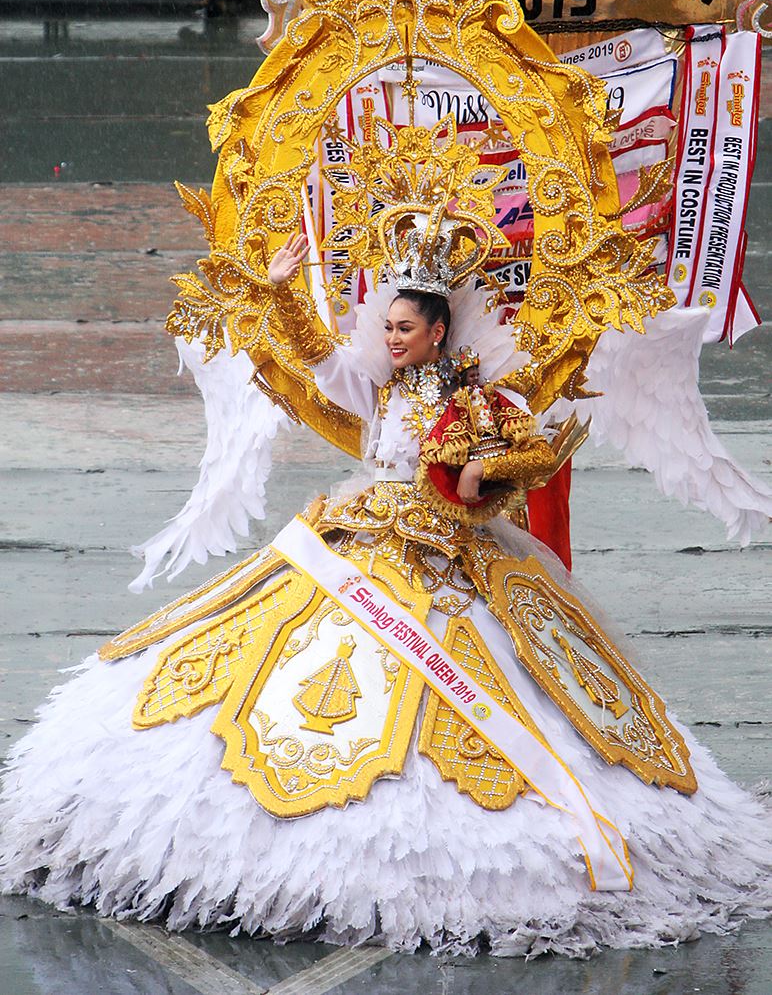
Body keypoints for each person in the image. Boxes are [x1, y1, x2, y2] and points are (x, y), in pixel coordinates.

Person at [1, 208, 770, 958]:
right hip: (359, 539)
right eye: (388, 328)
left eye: (405, 330)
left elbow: (527, 453)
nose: (391, 340)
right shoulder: (383, 387)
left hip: (450, 561)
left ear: (439, 330)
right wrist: (280, 288)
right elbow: (319, 359)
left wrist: (479, 471)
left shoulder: (475, 397)